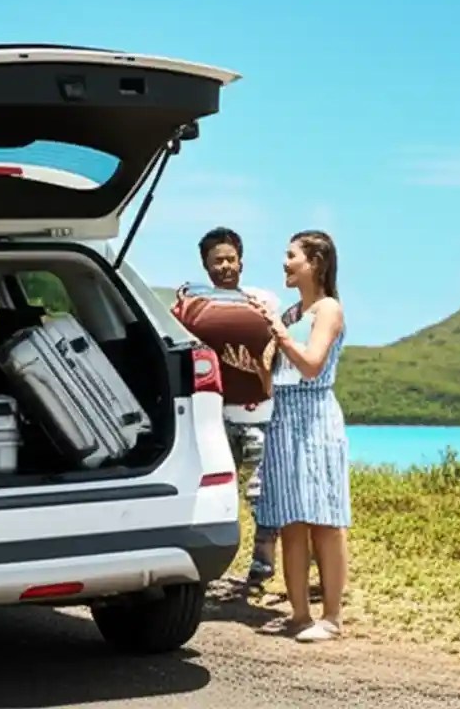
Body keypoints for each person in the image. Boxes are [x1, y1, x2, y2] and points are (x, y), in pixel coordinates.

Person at [249, 230, 350, 643]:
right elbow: (274, 384)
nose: (284, 264)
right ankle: (299, 614)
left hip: (316, 418)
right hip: (284, 419)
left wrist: (279, 332)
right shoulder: (292, 313)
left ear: (316, 263)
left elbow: (311, 365)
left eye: (291, 256)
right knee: (292, 520)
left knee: (325, 520)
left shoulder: (328, 309)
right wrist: (257, 362)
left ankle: (332, 617)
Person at [180, 227, 281, 591]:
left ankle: (262, 566)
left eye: (230, 259)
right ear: (205, 265)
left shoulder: (262, 299)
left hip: (259, 417)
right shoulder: (191, 299)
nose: (225, 266)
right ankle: (206, 568)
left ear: (242, 261)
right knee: (211, 493)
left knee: (261, 494)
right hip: (214, 418)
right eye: (216, 261)